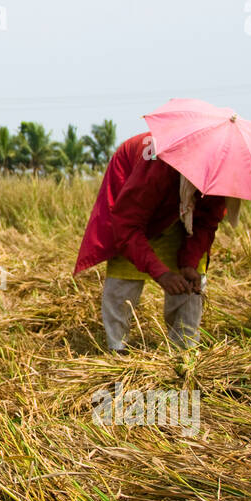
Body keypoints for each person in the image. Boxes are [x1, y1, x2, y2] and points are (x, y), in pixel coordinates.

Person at [74, 133, 230, 351]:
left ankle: (184, 351)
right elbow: (126, 226)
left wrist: (189, 262)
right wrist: (161, 273)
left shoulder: (220, 171)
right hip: (134, 211)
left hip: (181, 214)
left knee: (190, 287)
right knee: (123, 282)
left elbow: (207, 221)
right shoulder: (157, 164)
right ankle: (117, 349)